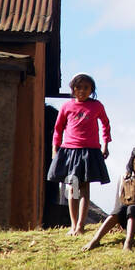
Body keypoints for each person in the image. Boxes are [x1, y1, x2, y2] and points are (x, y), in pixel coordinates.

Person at [46, 73, 111, 236]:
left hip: (89, 153)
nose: (82, 91)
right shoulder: (67, 107)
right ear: (73, 89)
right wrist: (56, 148)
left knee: (84, 188)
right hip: (70, 152)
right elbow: (58, 128)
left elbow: (105, 124)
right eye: (78, 87)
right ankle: (73, 225)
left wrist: (105, 145)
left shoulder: (96, 106)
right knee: (73, 188)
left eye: (86, 88)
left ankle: (81, 226)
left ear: (91, 90)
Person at [83, 146, 135, 251]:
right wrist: (116, 221)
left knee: (132, 209)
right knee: (121, 210)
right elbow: (118, 204)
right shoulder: (124, 178)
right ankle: (95, 240)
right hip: (128, 217)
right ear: (132, 163)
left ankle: (128, 243)